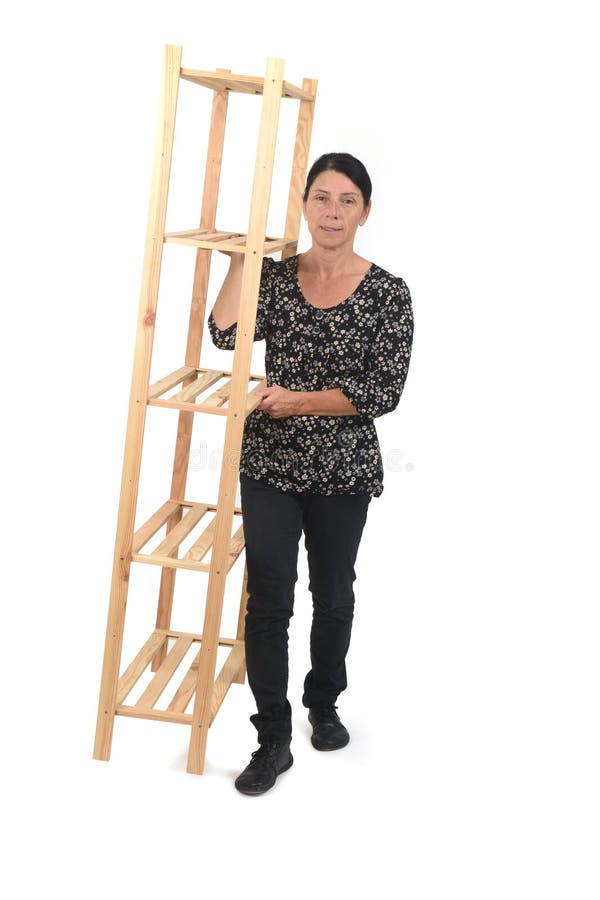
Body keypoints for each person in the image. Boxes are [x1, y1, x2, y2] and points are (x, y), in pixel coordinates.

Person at [208, 152, 414, 795]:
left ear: (365, 212)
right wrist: (243, 253)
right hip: (270, 459)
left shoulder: (388, 293)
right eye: (321, 198)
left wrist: (298, 399)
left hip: (343, 466)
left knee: (333, 593)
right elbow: (223, 333)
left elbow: (382, 390)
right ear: (304, 205)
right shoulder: (276, 277)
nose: (332, 212)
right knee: (269, 597)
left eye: (346, 201)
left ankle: (322, 703)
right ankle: (272, 737)